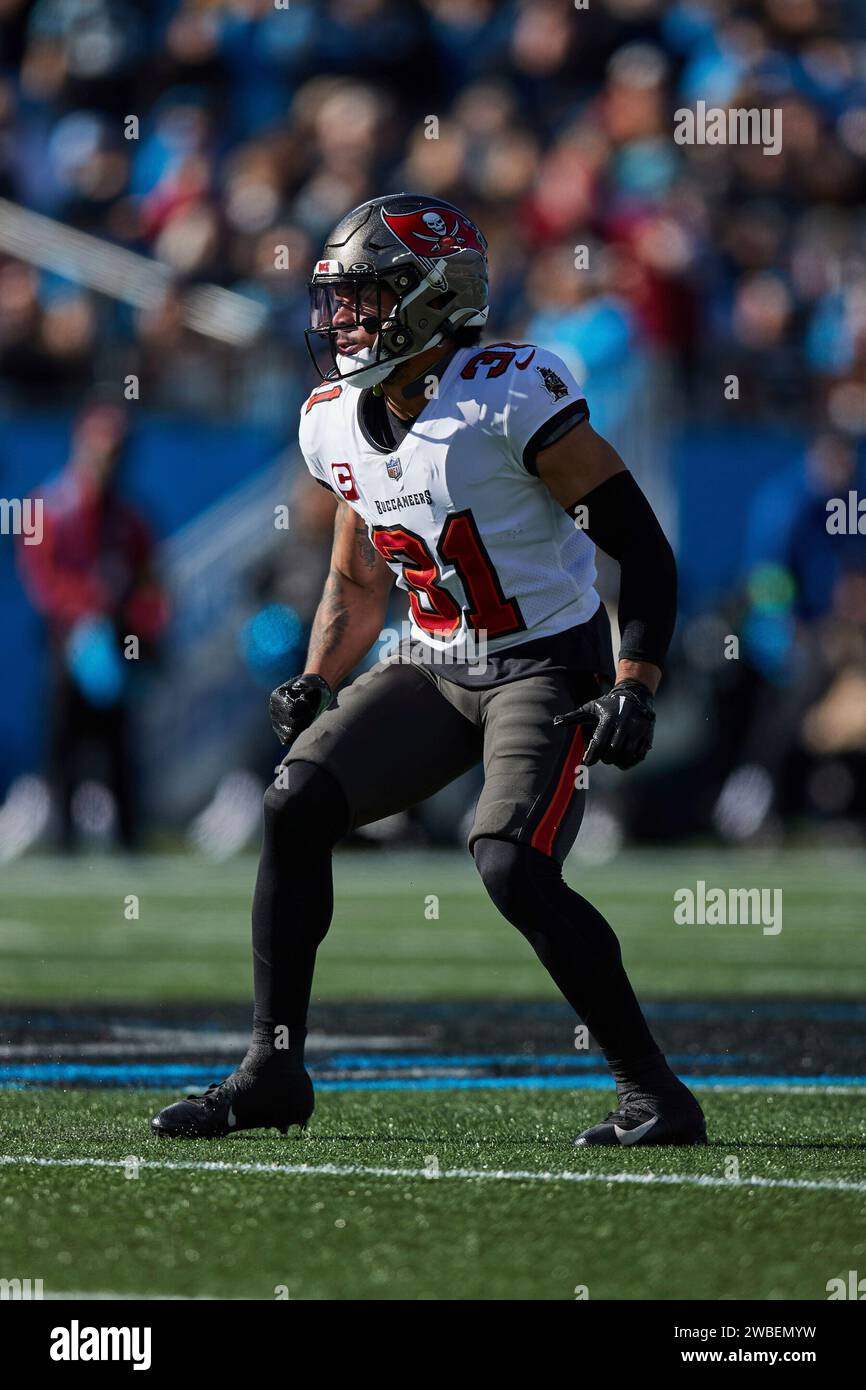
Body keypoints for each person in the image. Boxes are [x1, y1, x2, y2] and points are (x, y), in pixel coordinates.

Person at [153, 193, 705, 1147]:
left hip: (543, 659)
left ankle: (654, 1090)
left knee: (509, 861)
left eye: (368, 297)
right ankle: (273, 1067)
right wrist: (321, 675)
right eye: (342, 300)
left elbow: (640, 546)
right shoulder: (331, 420)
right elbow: (358, 578)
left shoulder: (506, 393)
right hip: (433, 659)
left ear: (434, 298)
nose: (345, 319)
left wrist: (636, 679)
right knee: (295, 804)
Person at [18, 401, 167, 850]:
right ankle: (63, 838)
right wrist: (88, 609)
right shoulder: (47, 508)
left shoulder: (130, 518)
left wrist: (144, 625)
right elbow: (43, 581)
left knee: (119, 741)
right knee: (64, 741)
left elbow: (151, 582)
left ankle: (128, 838)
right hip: (69, 641)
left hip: (119, 641)